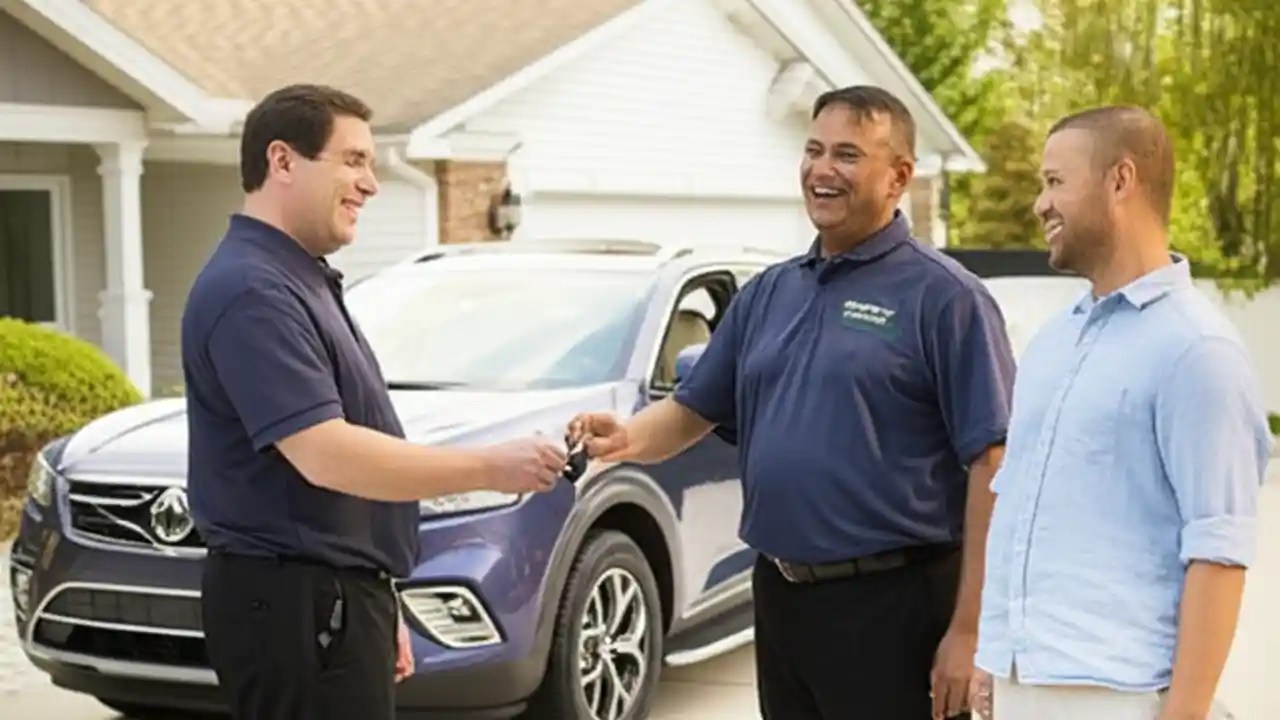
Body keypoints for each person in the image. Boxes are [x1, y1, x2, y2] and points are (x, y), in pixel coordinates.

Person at [566, 85, 1015, 720]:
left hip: (896, 606)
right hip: (781, 600)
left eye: (848, 155)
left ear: (899, 177)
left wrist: (969, 631)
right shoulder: (769, 293)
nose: (822, 169)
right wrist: (626, 437)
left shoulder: (947, 299)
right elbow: (695, 408)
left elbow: (994, 465)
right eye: (813, 150)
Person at [181, 83, 566, 720]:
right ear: (282, 161)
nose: (371, 183)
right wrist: (489, 467)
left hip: (325, 603)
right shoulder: (253, 290)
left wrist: (374, 595)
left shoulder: (295, 276)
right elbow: (326, 454)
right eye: (353, 160)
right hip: (298, 608)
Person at [970, 106, 1272, 720]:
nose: (1040, 204)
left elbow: (1218, 553)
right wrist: (992, 656)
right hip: (1020, 684)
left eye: (1055, 181)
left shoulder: (1197, 350)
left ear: (1120, 180)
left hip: (1117, 697)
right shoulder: (1054, 341)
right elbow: (1016, 512)